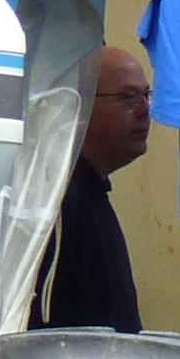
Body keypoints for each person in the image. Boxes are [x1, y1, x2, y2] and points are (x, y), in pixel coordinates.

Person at [42, 45, 151, 332]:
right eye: (128, 97)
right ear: (81, 104)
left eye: (146, 95)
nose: (144, 111)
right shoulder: (58, 200)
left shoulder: (89, 190)